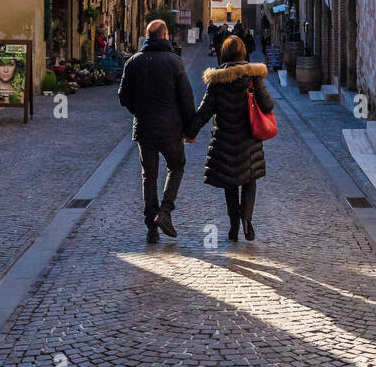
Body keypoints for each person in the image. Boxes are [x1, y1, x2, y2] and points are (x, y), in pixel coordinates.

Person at [186, 33, 275, 242]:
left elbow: (204, 112)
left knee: (230, 183)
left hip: (224, 140)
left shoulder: (217, 81)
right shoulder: (252, 76)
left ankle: (234, 225)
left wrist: (190, 132)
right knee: (249, 179)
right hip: (249, 139)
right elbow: (268, 105)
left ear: (223, 54)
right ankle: (247, 220)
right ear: (243, 53)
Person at [118, 18, 196, 243]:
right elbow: (187, 98)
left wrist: (138, 110)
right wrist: (190, 129)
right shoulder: (174, 62)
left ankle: (151, 226)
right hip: (171, 129)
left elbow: (123, 97)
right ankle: (165, 212)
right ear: (165, 35)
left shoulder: (133, 62)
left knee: (148, 176)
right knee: (177, 166)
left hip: (145, 129)